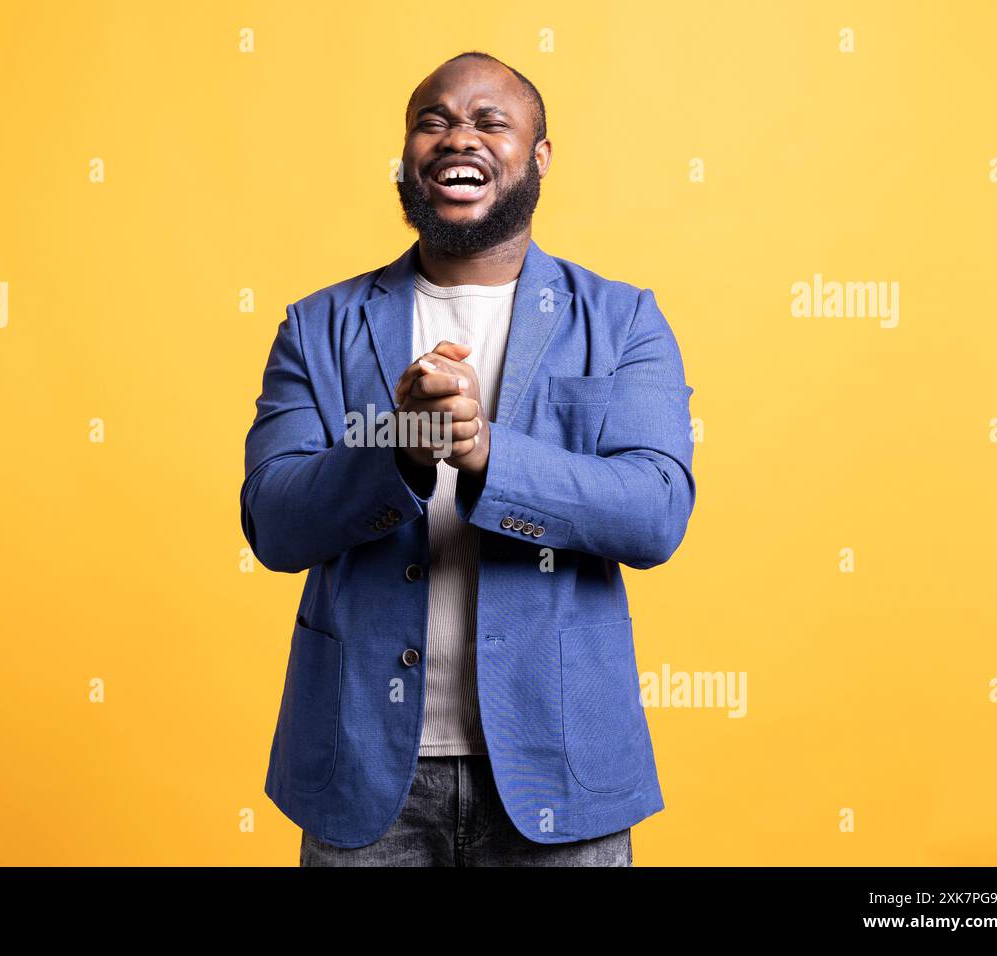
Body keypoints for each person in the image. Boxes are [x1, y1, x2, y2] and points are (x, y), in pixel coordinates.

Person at [240, 51, 696, 866]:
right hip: (362, 774)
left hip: (562, 773)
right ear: (408, 153)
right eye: (434, 120)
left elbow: (655, 510)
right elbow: (273, 520)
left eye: (491, 122)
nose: (460, 138)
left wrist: (489, 455)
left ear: (539, 156)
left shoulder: (623, 320)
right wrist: (399, 458)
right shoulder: (316, 325)